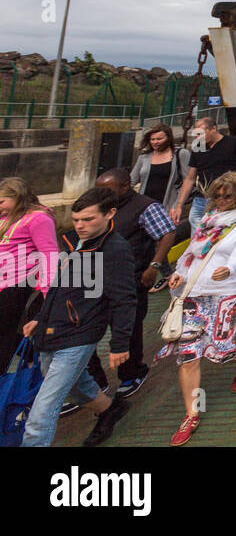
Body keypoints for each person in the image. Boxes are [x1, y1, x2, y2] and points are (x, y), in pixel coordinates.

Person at [21, 186, 135, 447]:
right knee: (76, 386)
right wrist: (40, 317)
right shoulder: (75, 241)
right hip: (53, 329)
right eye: (76, 220)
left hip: (80, 335)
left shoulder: (115, 250)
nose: (80, 226)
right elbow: (59, 288)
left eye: (87, 219)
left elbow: (124, 300)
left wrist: (120, 344)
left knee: (42, 410)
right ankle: (110, 408)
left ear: (110, 214)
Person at [157, 171, 236, 446]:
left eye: (228, 196)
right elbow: (191, 252)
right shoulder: (206, 220)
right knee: (188, 353)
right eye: (217, 196)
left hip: (224, 293)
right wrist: (178, 274)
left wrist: (230, 268)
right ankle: (191, 414)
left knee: (219, 350)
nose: (221, 201)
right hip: (193, 292)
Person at [82, 168, 176, 400]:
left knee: (128, 326)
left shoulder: (145, 207)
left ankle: (132, 372)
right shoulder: (99, 208)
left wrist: (153, 266)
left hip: (130, 277)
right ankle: (95, 380)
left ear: (125, 186)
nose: (100, 194)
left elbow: (167, 233)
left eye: (106, 190)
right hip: (97, 277)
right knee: (86, 326)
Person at [0, 177, 58, 370]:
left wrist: (48, 289)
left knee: (4, 335)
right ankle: (32, 357)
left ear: (18, 197)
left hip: (16, 284)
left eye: (1, 201)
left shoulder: (38, 218)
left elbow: (49, 253)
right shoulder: (6, 218)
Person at [171, 117, 236, 226]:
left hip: (227, 197)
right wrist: (179, 205)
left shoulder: (235, 142)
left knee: (224, 229)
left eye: (200, 133)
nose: (198, 137)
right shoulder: (199, 146)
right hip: (202, 198)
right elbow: (190, 178)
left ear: (213, 129)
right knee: (196, 226)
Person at [130, 125, 191, 215]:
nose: (155, 142)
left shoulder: (181, 154)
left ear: (168, 138)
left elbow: (188, 181)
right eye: (152, 139)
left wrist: (177, 206)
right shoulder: (144, 157)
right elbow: (131, 181)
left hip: (168, 207)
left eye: (159, 139)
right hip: (145, 207)